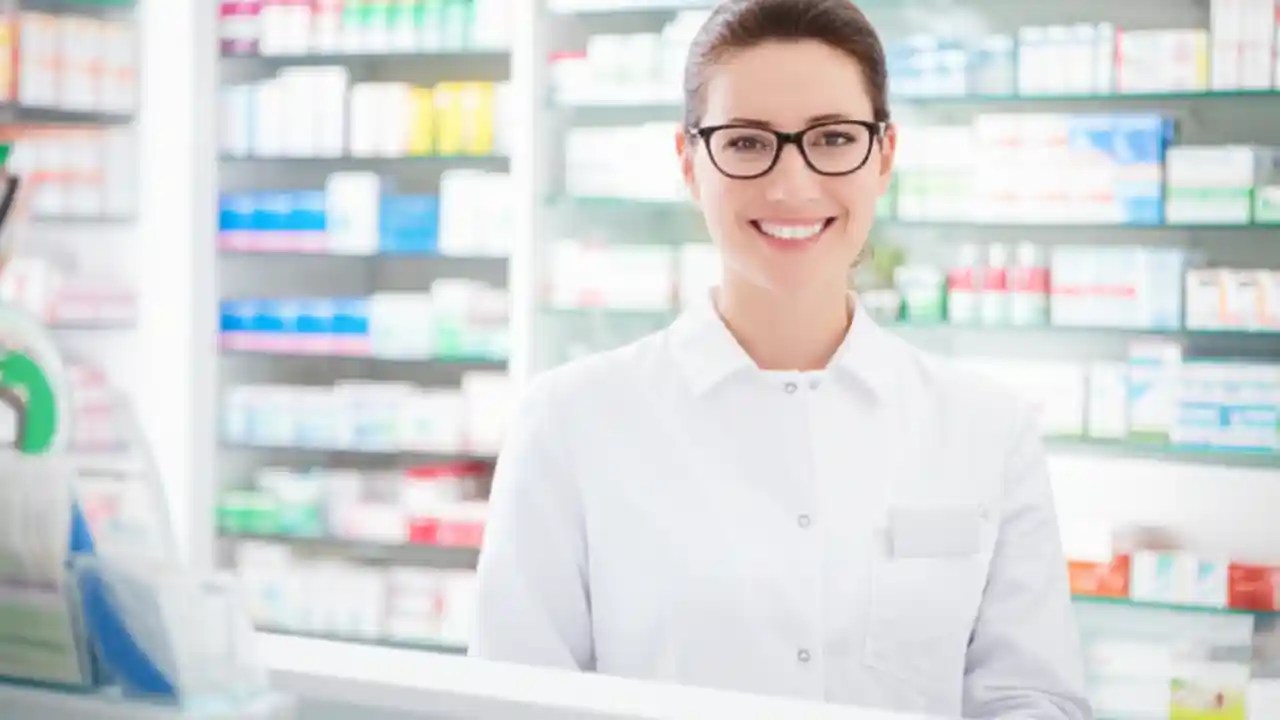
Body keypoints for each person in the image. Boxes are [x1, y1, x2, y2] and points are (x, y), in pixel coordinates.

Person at [470, 1, 1092, 718]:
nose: (792, 184)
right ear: (689, 161)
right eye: (745, 143)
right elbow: (510, 700)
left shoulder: (988, 429)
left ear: (884, 155)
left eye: (832, 139)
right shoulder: (571, 420)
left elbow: (1030, 698)